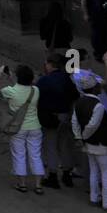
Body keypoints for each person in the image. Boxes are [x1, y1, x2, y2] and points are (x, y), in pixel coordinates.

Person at [71, 72, 107, 211]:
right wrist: (84, 136)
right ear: (94, 88)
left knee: (94, 171)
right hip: (101, 144)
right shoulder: (99, 106)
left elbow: (75, 121)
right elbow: (92, 125)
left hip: (89, 144)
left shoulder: (79, 102)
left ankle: (94, 197)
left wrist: (79, 137)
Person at [0, 63, 43, 193]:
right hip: (35, 127)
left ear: (18, 77)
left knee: (19, 155)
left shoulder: (10, 91)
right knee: (35, 155)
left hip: (18, 128)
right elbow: (23, 89)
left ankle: (22, 184)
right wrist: (13, 79)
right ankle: (38, 185)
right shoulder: (35, 91)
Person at [34, 52, 77, 190]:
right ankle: (67, 174)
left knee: (51, 146)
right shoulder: (67, 79)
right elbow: (74, 96)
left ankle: (53, 176)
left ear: (50, 64)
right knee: (64, 146)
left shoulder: (45, 81)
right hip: (64, 116)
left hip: (50, 117)